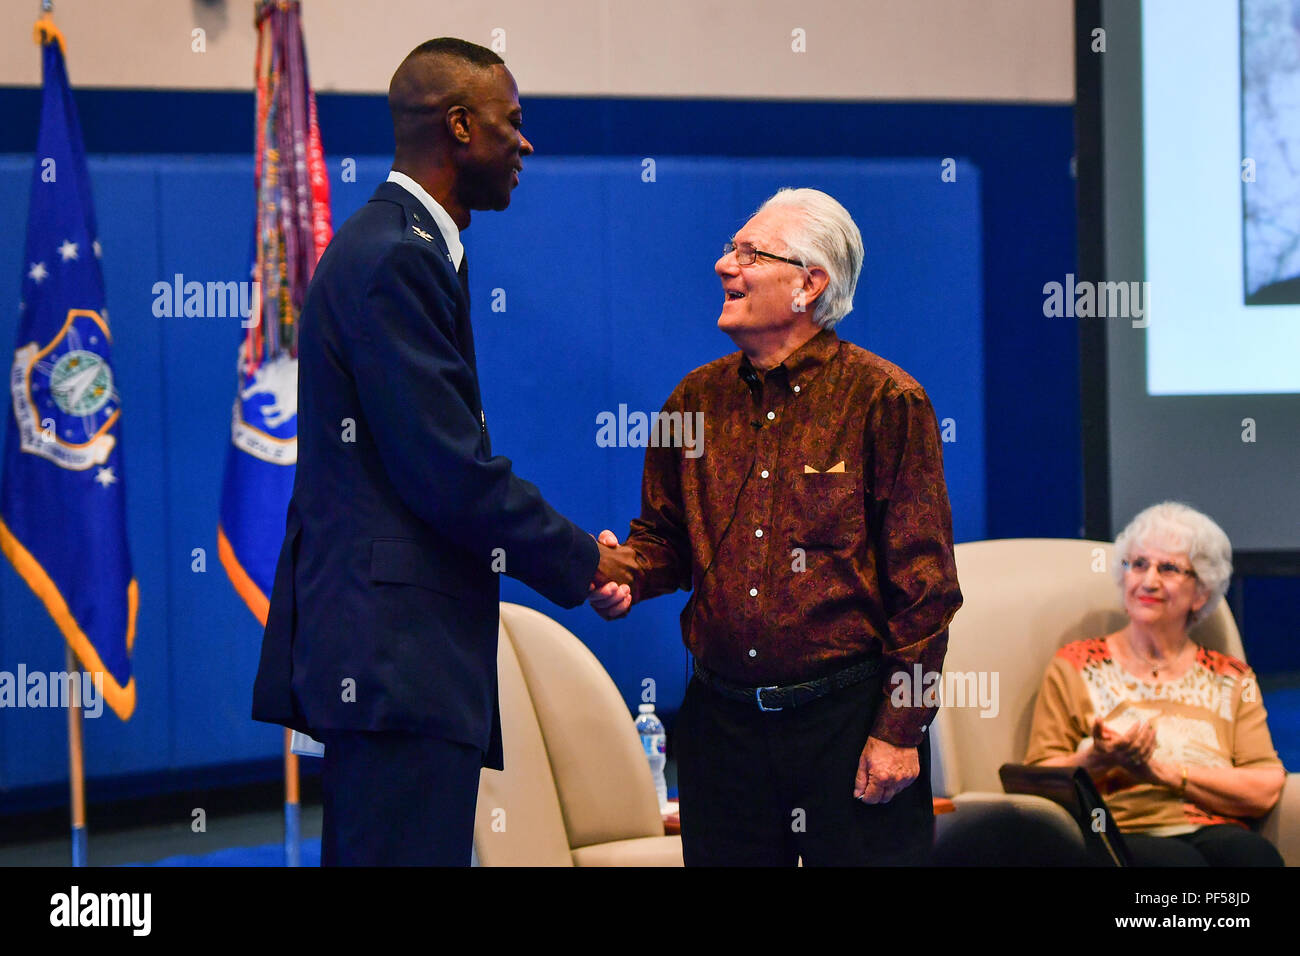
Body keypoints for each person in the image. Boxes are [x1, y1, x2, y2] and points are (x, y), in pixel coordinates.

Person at [251, 38, 634, 866]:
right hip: (395, 661)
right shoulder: (396, 256)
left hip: (395, 659)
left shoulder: (406, 246)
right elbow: (448, 473)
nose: (525, 143)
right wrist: (587, 562)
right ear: (460, 127)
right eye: (512, 122)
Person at [589, 188, 963, 866]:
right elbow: (667, 540)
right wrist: (626, 576)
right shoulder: (693, 400)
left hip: (847, 724)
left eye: (745, 254)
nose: (722, 268)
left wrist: (899, 733)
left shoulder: (887, 402)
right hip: (720, 727)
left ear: (809, 283)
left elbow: (926, 591)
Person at [1025, 502, 1286, 866]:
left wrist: (1164, 773)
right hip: (1120, 827)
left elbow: (1264, 785)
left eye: (1168, 568)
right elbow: (1035, 777)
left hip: (1213, 826)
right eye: (1138, 564)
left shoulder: (1232, 677)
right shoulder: (1076, 665)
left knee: (1254, 856)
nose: (1149, 581)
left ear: (1201, 592)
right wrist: (1094, 760)